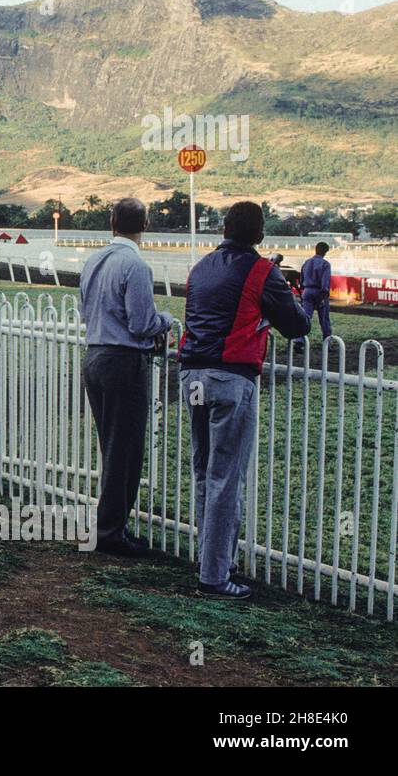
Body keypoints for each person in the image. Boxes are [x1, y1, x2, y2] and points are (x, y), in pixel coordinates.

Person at [179, 202, 310, 600]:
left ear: (224, 227)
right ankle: (214, 575)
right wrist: (287, 292)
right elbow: (297, 323)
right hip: (231, 378)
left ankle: (208, 559)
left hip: (191, 375)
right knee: (225, 478)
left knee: (204, 471)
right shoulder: (262, 271)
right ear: (259, 234)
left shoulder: (201, 267)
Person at [80, 198, 175, 556]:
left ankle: (108, 524)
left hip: (95, 356)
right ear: (145, 225)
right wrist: (165, 321)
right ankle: (110, 532)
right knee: (127, 449)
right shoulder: (135, 265)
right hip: (123, 361)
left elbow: (84, 310)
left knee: (111, 446)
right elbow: (141, 323)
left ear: (111, 222)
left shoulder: (93, 261)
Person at [299, 242, 333, 339]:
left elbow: (301, 280)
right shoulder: (325, 264)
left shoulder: (306, 262)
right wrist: (323, 296)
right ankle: (327, 341)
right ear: (325, 252)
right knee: (324, 319)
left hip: (307, 291)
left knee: (306, 317)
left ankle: (299, 340)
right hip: (319, 292)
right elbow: (325, 283)